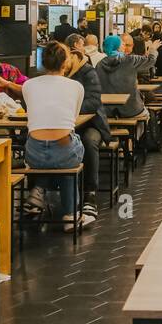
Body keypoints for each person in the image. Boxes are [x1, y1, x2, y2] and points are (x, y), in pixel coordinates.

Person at [21, 42, 88, 230]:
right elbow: (72, 120)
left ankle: (39, 189)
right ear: (66, 62)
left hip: (34, 155)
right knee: (69, 155)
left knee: (50, 154)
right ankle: (70, 215)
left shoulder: (28, 85)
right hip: (65, 153)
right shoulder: (76, 87)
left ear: (43, 62)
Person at [64, 35, 108, 223]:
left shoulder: (88, 72)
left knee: (89, 141)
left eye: (66, 60)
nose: (63, 64)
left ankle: (90, 192)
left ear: (74, 56)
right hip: (66, 125)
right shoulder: (57, 74)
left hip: (92, 124)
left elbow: (93, 101)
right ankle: (39, 192)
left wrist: (69, 109)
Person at [97, 33, 157, 118]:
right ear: (118, 47)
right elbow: (150, 61)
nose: (124, 47)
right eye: (122, 44)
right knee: (147, 115)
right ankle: (138, 131)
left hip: (106, 111)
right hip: (131, 109)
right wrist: (153, 49)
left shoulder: (99, 64)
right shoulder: (130, 60)